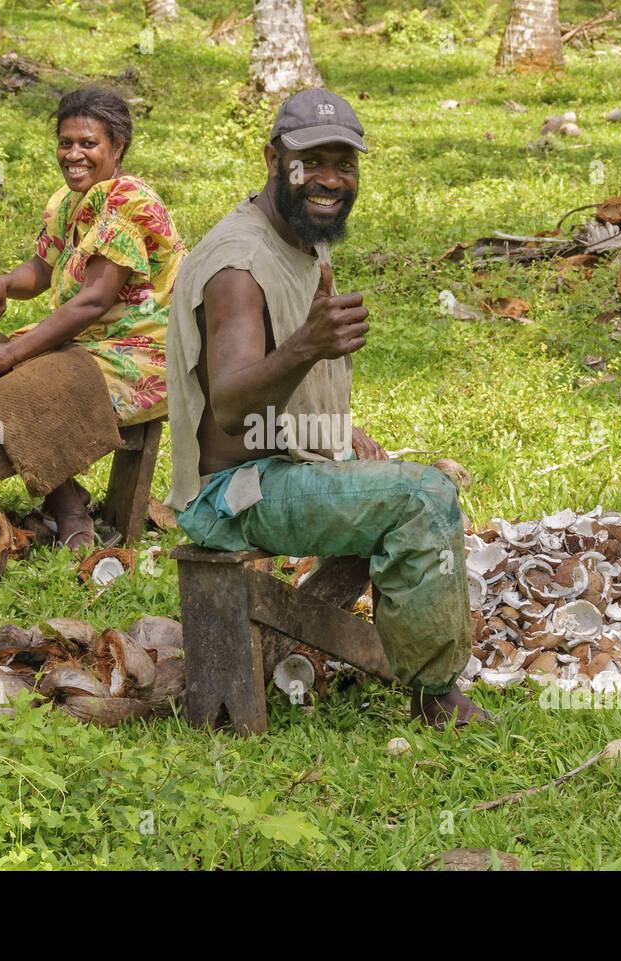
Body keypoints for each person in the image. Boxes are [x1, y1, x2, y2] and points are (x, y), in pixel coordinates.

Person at [164, 90, 485, 728]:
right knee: (421, 499)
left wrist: (336, 429)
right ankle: (435, 695)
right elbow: (230, 404)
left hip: (284, 462)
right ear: (273, 159)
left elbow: (272, 381)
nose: (330, 181)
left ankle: (386, 651)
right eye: (310, 163)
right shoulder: (240, 265)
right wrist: (310, 346)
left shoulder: (300, 239)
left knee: (417, 485)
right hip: (233, 495)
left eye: (345, 164)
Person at [0, 86, 185, 552]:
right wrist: (1, 284)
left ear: (117, 148)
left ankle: (68, 509)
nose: (74, 154)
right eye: (66, 143)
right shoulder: (68, 200)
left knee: (20, 388)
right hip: (86, 343)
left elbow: (93, 302)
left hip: (143, 354)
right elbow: (41, 271)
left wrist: (13, 353)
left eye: (89, 144)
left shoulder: (127, 201)